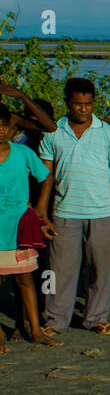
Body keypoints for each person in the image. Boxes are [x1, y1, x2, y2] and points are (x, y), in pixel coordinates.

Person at [35, 77, 110, 335]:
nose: (84, 109)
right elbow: (47, 177)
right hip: (64, 212)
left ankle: (96, 317)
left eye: (88, 104)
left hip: (101, 212)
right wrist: (42, 213)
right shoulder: (53, 133)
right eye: (78, 104)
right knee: (56, 271)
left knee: (100, 269)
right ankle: (54, 320)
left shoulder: (108, 133)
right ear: (67, 102)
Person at [0, 102, 59, 350]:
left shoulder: (22, 153)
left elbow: (46, 178)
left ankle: (35, 330)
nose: (0, 130)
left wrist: (40, 210)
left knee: (26, 281)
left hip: (21, 226)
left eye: (4, 125)